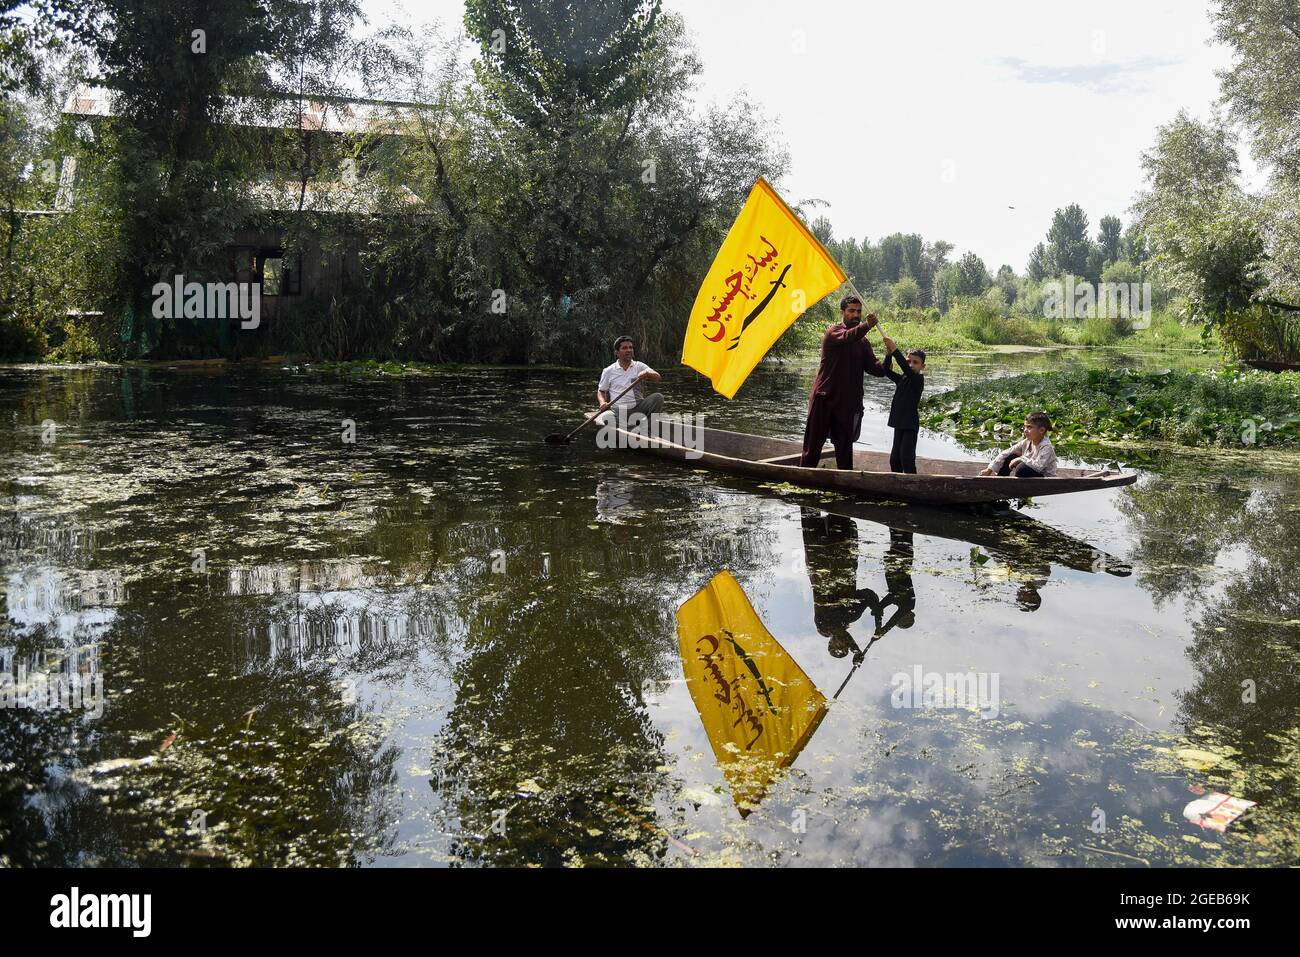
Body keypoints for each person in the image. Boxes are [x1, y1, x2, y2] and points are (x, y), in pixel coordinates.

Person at [800, 296, 887, 469]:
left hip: (847, 403)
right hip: (824, 398)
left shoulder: (862, 342)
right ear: (842, 312)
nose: (856, 315)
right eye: (851, 311)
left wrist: (890, 355)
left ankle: (846, 484)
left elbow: (877, 370)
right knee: (813, 447)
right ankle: (803, 477)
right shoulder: (834, 332)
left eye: (859, 311)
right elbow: (848, 336)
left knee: (845, 451)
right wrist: (867, 325)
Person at [880, 336, 925, 474]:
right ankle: (897, 483)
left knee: (907, 459)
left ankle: (912, 486)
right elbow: (886, 370)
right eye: (909, 361)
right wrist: (888, 354)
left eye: (915, 362)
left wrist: (895, 349)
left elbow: (906, 369)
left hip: (910, 426)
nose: (911, 364)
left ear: (922, 366)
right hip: (899, 423)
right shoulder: (903, 378)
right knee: (894, 460)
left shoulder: (917, 380)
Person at [597, 336, 662, 426]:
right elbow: (601, 391)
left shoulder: (639, 366)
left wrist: (648, 373)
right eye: (624, 348)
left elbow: (657, 377)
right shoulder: (609, 371)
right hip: (619, 411)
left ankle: (649, 426)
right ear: (617, 353)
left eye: (630, 347)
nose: (628, 350)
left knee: (658, 397)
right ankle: (627, 427)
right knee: (607, 416)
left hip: (638, 408)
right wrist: (602, 403)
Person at [980, 411, 1057, 477]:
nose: (1025, 430)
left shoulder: (1046, 446)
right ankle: (1000, 481)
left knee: (1022, 469)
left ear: (1041, 430)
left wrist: (1020, 459)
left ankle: (1019, 487)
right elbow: (1006, 452)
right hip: (1032, 476)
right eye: (1025, 427)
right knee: (1010, 456)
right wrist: (989, 469)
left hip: (1045, 478)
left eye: (1029, 427)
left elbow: (1038, 467)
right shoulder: (1026, 442)